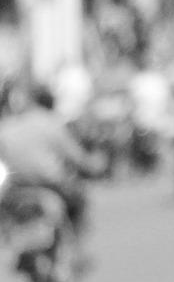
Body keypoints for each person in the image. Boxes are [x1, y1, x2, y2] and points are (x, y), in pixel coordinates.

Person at [0, 84, 107, 270]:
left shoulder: (5, 127)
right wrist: (94, 165)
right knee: (79, 203)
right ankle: (77, 253)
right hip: (50, 186)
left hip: (15, 190)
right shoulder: (49, 122)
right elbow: (76, 156)